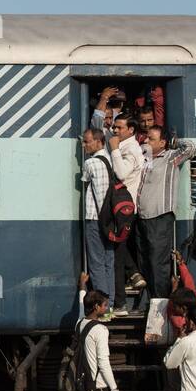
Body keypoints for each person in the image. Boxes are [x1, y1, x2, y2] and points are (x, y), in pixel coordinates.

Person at [136, 126, 196, 301]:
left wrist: (175, 142)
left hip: (160, 216)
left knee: (158, 262)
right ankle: (149, 301)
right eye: (146, 138)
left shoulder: (170, 157)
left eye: (151, 139)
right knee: (145, 261)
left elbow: (192, 147)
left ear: (162, 143)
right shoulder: (144, 159)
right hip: (141, 217)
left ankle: (161, 301)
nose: (146, 141)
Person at [109, 114, 146, 296]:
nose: (115, 130)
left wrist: (114, 150)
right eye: (114, 127)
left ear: (131, 130)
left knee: (119, 245)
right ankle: (134, 274)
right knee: (121, 244)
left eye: (120, 128)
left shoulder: (130, 149)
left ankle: (131, 278)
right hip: (123, 206)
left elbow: (122, 173)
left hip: (125, 206)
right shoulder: (127, 145)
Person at [80, 128, 116, 309]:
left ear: (99, 141)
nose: (84, 145)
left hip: (96, 219)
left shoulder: (92, 163)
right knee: (108, 261)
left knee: (96, 263)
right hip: (110, 220)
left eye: (87, 141)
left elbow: (99, 193)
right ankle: (110, 304)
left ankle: (103, 306)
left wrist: (103, 221)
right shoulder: (109, 160)